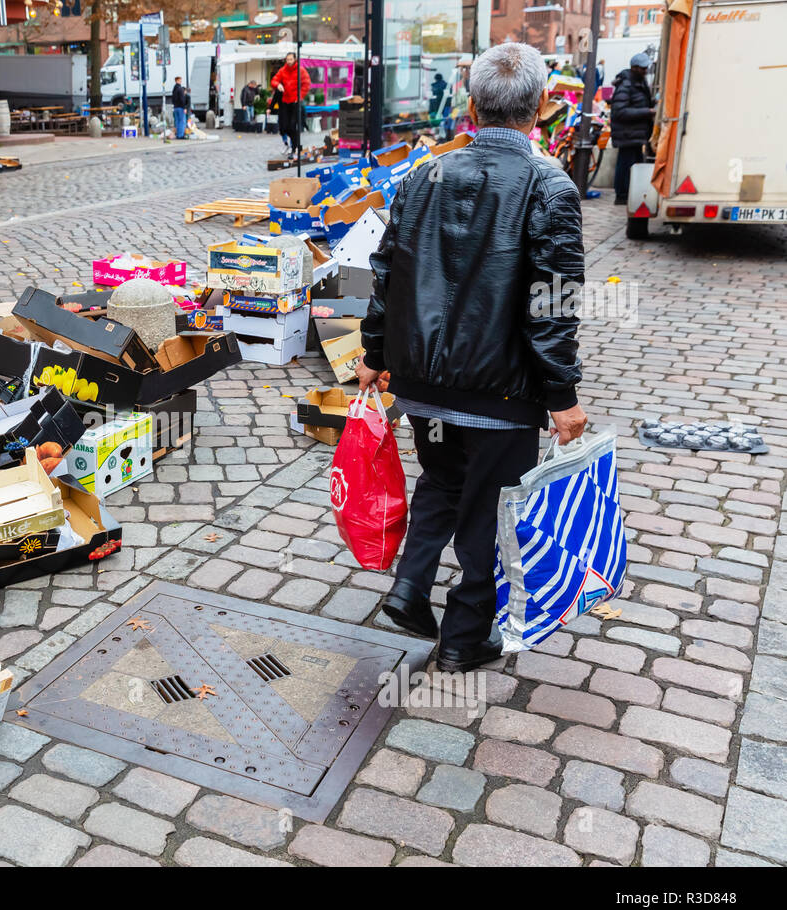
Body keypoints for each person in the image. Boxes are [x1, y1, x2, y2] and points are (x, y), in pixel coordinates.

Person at [358, 41, 588, 674]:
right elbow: (554, 305)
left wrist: (375, 352)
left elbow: (386, 274)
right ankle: (462, 638)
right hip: (500, 392)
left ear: (471, 104)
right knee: (490, 506)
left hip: (424, 385)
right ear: (539, 108)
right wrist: (562, 395)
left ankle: (409, 586)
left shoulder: (425, 174)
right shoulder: (549, 185)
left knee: (444, 477)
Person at [610, 52, 655, 205]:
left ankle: (627, 194)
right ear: (634, 68)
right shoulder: (626, 85)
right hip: (627, 133)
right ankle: (621, 195)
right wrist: (647, 112)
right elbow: (619, 111)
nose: (645, 71)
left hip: (634, 133)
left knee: (633, 164)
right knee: (626, 165)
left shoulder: (639, 83)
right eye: (642, 68)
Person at [270, 52, 310, 159]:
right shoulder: (283, 70)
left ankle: (294, 148)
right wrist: (278, 84)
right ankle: (293, 145)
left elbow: (306, 83)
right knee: (284, 127)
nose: (289, 62)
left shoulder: (300, 70)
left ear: (295, 59)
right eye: (287, 59)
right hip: (285, 102)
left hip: (295, 102)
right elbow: (274, 80)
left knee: (292, 126)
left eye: (291, 59)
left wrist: (300, 96)